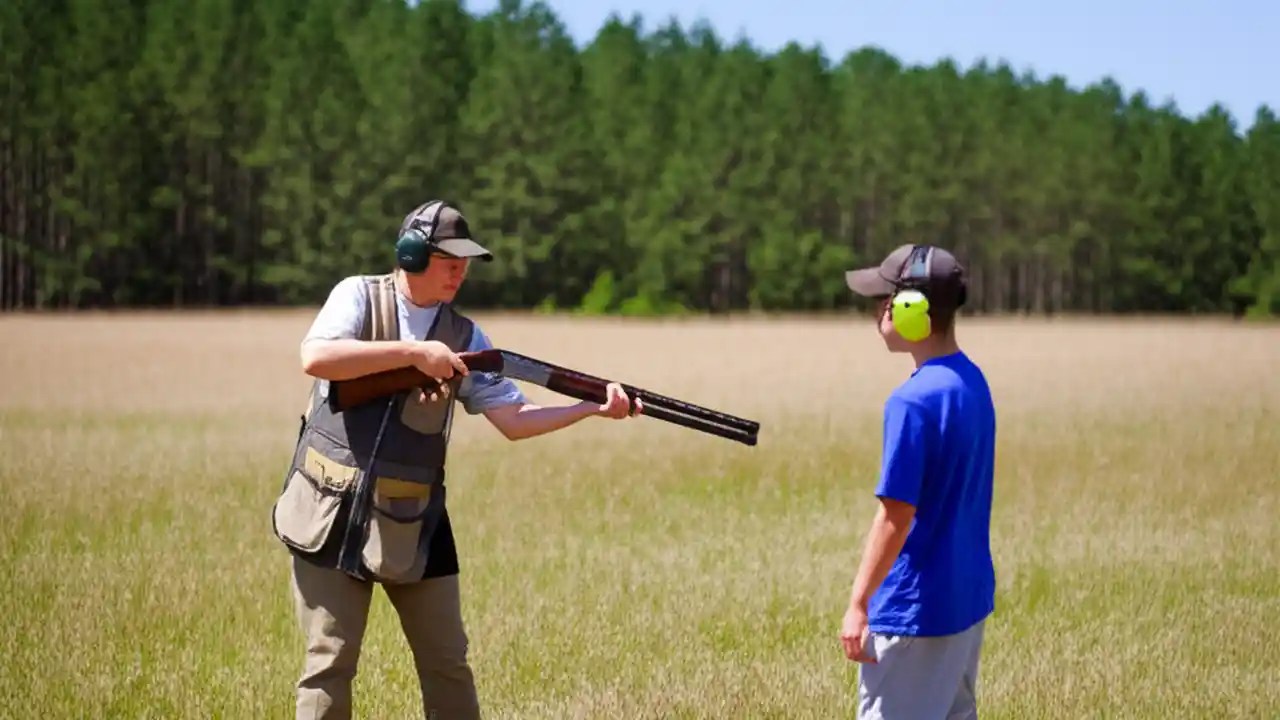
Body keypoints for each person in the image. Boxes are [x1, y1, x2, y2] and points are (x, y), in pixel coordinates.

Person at [271, 199, 642, 720]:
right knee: (329, 660)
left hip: (414, 517)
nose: (461, 272)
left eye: (465, 262)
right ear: (411, 254)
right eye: (450, 260)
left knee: (448, 662)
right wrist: (413, 355)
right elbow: (317, 357)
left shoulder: (467, 337)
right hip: (328, 510)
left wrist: (590, 408)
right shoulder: (357, 295)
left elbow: (515, 420)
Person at [838, 244, 997, 720]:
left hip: (915, 614)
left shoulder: (912, 402)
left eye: (884, 300)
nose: (876, 312)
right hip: (964, 602)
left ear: (910, 309)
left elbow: (895, 516)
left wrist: (859, 605)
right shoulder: (972, 380)